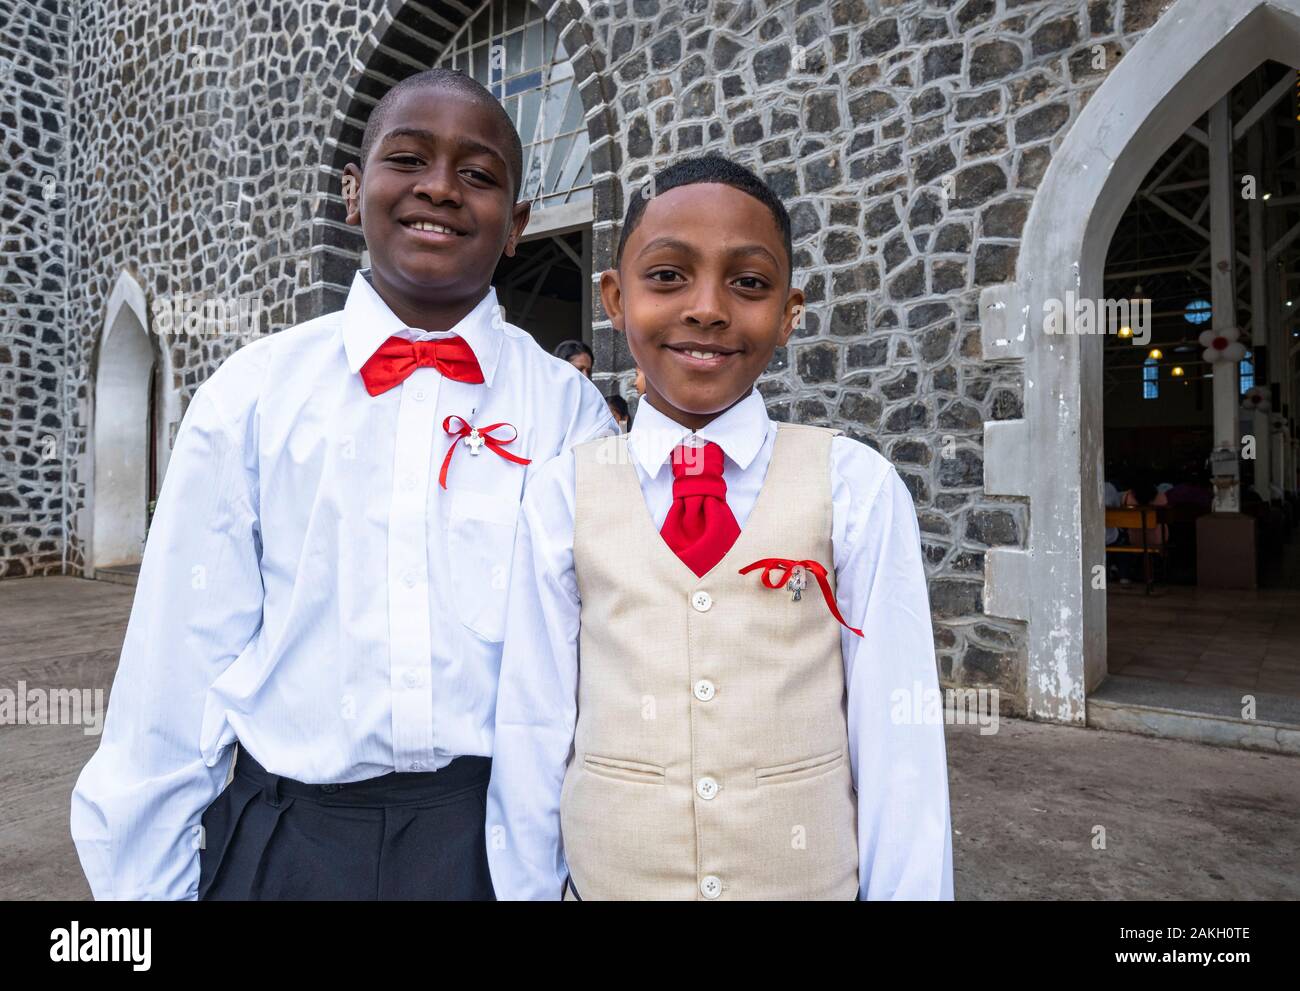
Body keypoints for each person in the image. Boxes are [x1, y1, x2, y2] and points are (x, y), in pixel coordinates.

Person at [69, 68, 616, 901]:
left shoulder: (568, 413)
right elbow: (177, 663)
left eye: (478, 174)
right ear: (353, 192)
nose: (440, 187)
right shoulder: (252, 396)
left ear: (516, 226)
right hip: (289, 837)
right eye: (409, 159)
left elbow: (591, 660)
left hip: (493, 842)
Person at [486, 154, 953, 900]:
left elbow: (900, 745)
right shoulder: (561, 495)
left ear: (790, 312)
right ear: (615, 298)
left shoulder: (855, 488)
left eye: (749, 283)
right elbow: (531, 728)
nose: (707, 308)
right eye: (668, 275)